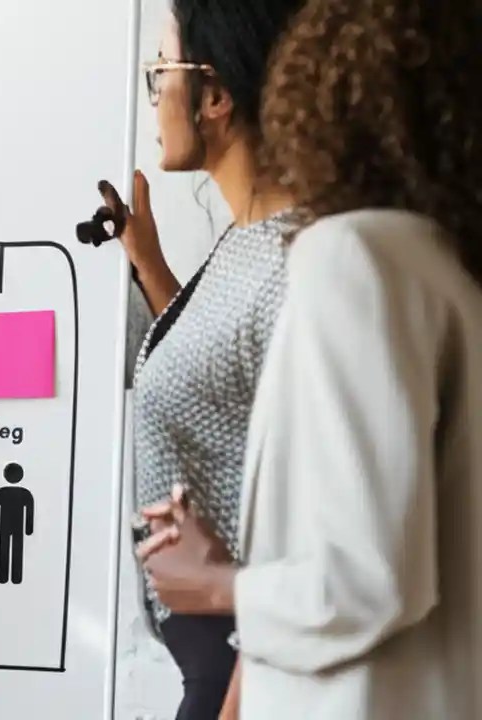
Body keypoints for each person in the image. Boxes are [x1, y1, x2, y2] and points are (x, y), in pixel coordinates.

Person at [138, 0, 482, 717]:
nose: (155, 92)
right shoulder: (433, 262)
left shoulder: (345, 256)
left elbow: (366, 577)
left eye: (160, 70)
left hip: (285, 669)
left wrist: (216, 584)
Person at [82, 1, 305, 717]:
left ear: (214, 95)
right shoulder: (250, 237)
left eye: (161, 74)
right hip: (218, 656)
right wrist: (148, 261)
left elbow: (316, 524)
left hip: (242, 664)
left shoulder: (295, 263)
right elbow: (218, 365)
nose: (154, 97)